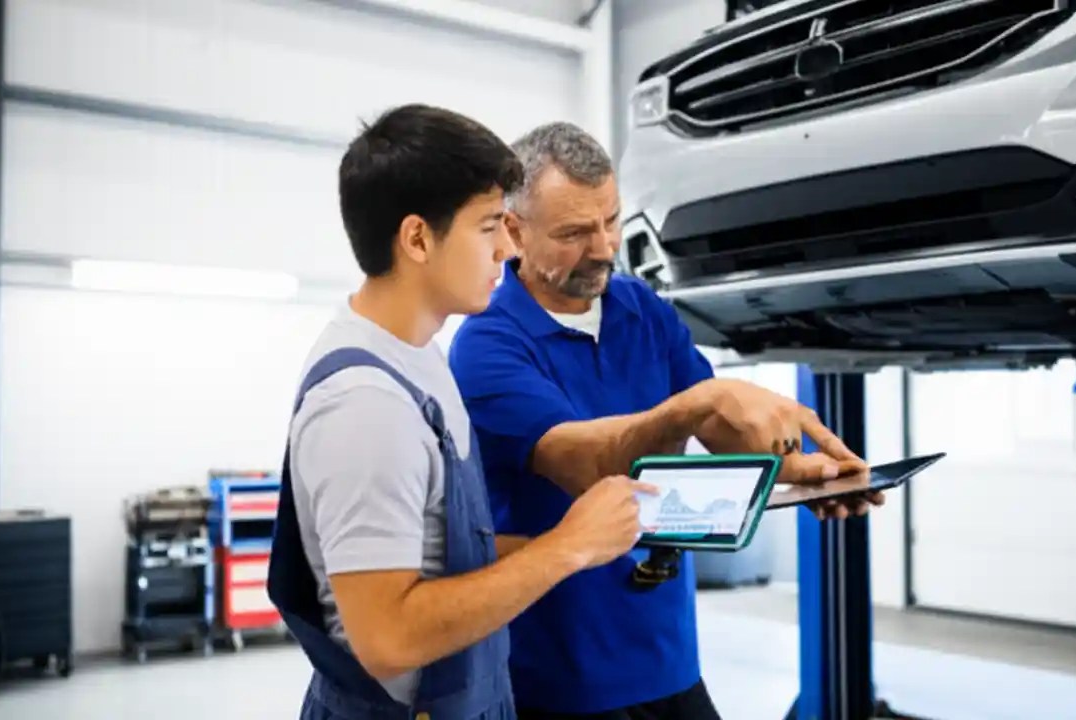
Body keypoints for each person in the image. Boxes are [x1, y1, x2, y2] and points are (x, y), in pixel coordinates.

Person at [448, 122, 883, 719]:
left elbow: (716, 422)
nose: (602, 248)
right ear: (515, 231)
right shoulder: (487, 344)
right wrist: (697, 404)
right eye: (575, 232)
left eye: (611, 221)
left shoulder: (640, 308)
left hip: (670, 659)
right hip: (560, 680)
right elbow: (585, 463)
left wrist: (795, 471)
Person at [266, 106, 658, 720]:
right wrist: (565, 549)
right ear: (418, 238)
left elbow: (438, 553)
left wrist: (580, 544)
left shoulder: (420, 359)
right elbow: (388, 639)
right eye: (487, 227)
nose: (507, 246)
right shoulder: (366, 406)